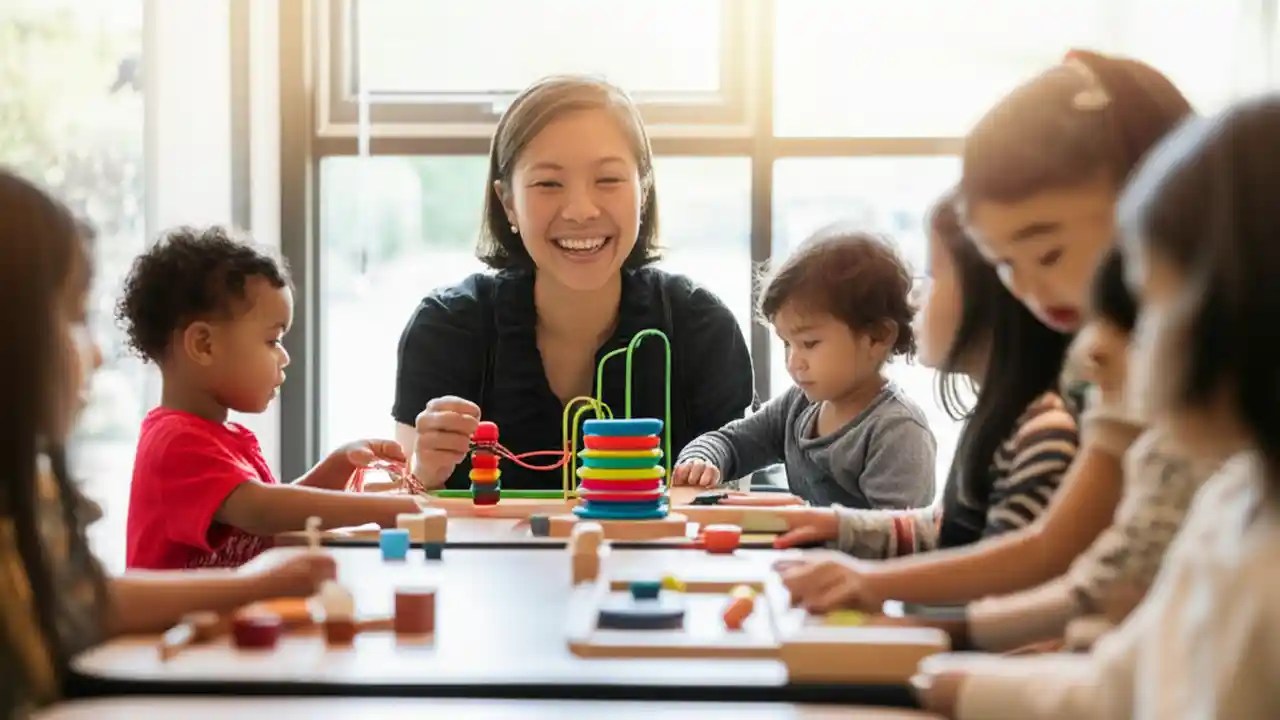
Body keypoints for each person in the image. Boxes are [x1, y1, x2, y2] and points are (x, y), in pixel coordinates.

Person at [778, 51, 1193, 611]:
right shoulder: (1100, 367)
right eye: (1003, 264)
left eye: (1048, 254)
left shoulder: (1133, 383)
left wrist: (882, 591)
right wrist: (838, 534)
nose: (1027, 290)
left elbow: (1054, 557)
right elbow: (1062, 563)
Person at [914, 93, 1280, 720]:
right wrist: (925, 678)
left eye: (1147, 306)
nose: (1092, 350)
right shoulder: (1230, 505)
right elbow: (1117, 685)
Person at [0, 169, 336, 718]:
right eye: (74, 317)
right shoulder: (175, 437)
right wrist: (400, 510)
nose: (97, 354)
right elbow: (262, 510)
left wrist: (257, 583)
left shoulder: (33, 491)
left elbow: (92, 599)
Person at [394, 76, 754, 490]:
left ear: (644, 190)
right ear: (508, 202)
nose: (581, 210)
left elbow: (732, 507)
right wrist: (424, 472)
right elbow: (404, 498)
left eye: (608, 180)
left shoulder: (702, 329)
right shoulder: (446, 329)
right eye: (548, 183)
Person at [770, 192, 1074, 557]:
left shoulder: (1043, 434)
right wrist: (833, 525)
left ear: (990, 293)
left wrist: (865, 580)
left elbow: (998, 570)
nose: (913, 298)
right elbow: (948, 530)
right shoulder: (998, 422)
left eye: (930, 277)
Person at [119, 226, 422, 570]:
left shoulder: (222, 439)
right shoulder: (175, 442)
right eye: (272, 341)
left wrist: (338, 466)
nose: (284, 357)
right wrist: (382, 510)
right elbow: (261, 511)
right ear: (204, 345)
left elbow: (271, 522)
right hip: (183, 609)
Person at [673, 227, 935, 509]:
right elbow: (733, 442)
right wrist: (701, 459)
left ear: (877, 337)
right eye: (787, 343)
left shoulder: (896, 431)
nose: (793, 361)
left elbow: (895, 530)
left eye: (809, 343)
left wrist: (810, 524)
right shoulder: (797, 405)